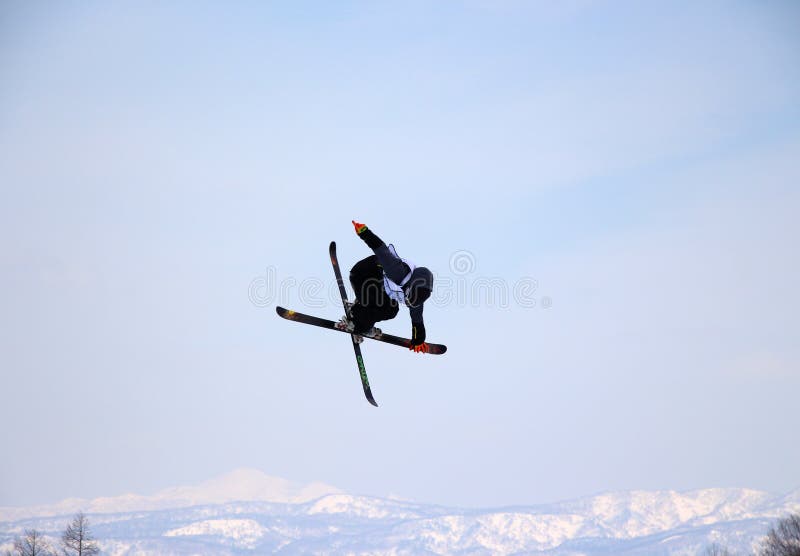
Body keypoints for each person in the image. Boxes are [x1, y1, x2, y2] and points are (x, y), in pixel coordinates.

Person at [338, 220, 433, 353]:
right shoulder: (397, 271)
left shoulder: (416, 298)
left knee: (391, 311)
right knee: (381, 307)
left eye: (409, 301)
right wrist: (364, 232)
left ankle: (361, 316)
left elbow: (417, 319)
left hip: (377, 285)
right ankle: (355, 319)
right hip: (362, 275)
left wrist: (418, 340)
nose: (407, 301)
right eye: (408, 298)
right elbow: (381, 250)